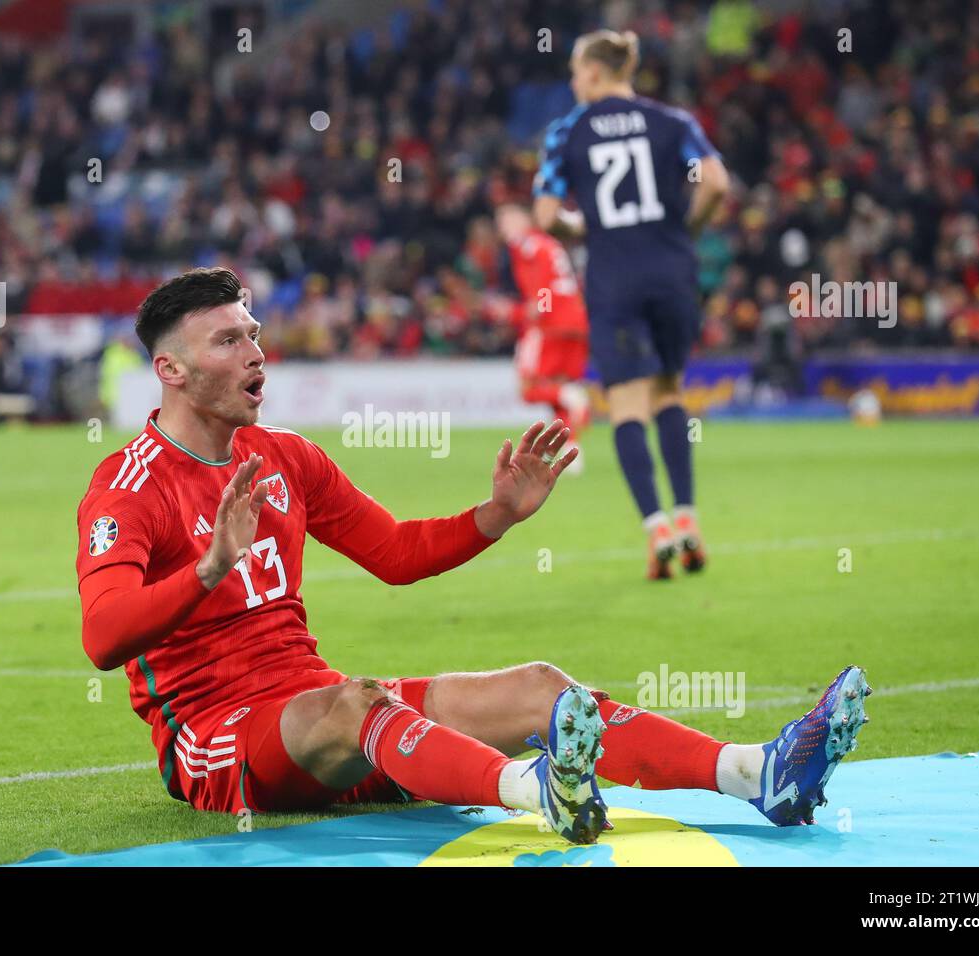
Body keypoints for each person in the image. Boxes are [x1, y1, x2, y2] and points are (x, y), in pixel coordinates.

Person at [75, 267, 868, 845]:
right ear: (170, 370)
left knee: (545, 692)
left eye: (253, 332)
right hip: (217, 741)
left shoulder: (285, 456)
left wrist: (494, 516)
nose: (257, 353)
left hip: (319, 712)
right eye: (229, 339)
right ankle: (537, 793)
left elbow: (392, 552)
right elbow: (104, 638)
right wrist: (209, 567)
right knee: (357, 705)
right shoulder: (127, 488)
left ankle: (759, 774)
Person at [533, 30, 730, 579]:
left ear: (594, 72)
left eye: (575, 72)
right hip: (672, 273)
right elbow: (715, 181)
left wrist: (584, 227)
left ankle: (657, 530)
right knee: (670, 393)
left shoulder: (566, 132)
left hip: (614, 279)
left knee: (625, 406)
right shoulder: (674, 122)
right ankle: (689, 520)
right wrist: (685, 228)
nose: (574, 82)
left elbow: (548, 217)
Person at [495, 202, 591, 474]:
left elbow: (541, 294)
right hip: (576, 321)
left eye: (505, 222)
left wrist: (525, 311)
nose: (502, 230)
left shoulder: (527, 244)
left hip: (551, 325)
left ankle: (571, 394)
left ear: (519, 221)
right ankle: (573, 449)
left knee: (530, 388)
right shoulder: (550, 244)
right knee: (557, 392)